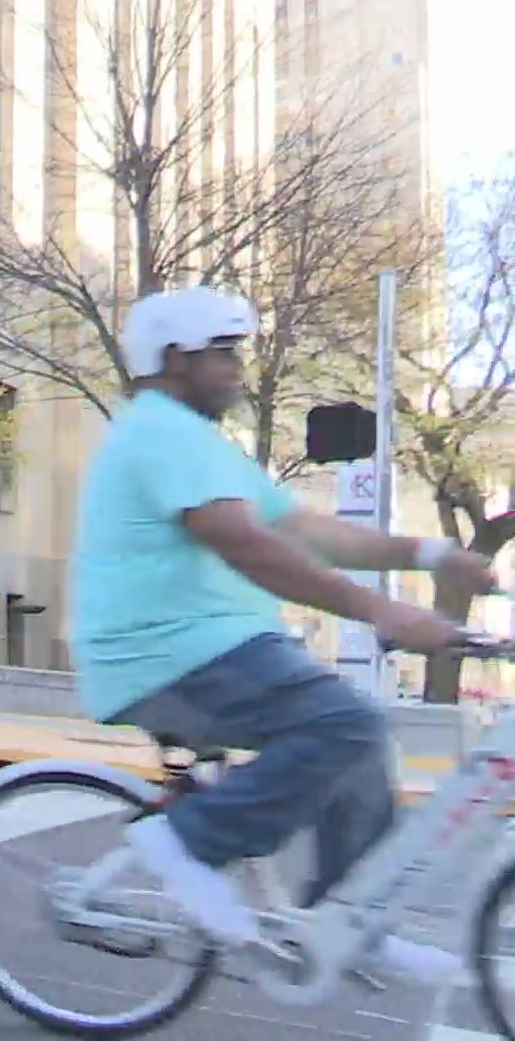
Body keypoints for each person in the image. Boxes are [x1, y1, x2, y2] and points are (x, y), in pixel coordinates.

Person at [70, 285, 497, 984]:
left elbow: (303, 530)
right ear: (177, 357)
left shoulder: (202, 443)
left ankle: (347, 921)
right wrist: (379, 612)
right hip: (166, 656)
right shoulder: (159, 432)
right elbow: (247, 546)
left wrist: (429, 555)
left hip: (216, 646)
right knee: (345, 726)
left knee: (358, 742)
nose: (238, 367)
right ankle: (183, 843)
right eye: (226, 353)